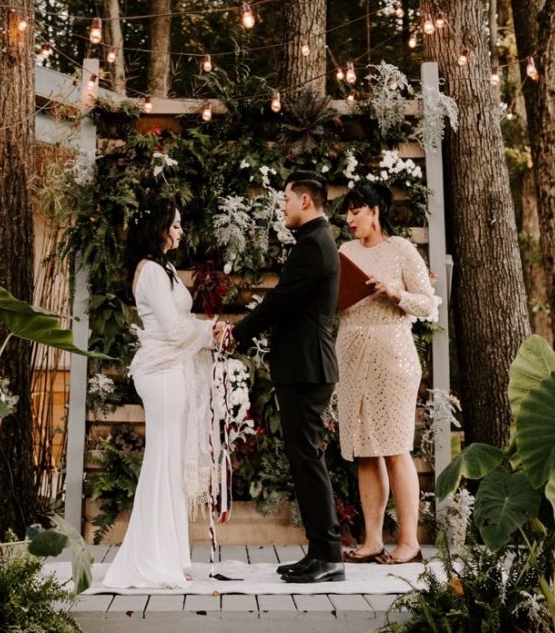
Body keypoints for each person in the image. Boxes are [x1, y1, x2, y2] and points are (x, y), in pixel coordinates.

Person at [220, 169, 344, 586]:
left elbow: (280, 302)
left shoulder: (315, 245)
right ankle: (319, 554)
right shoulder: (313, 242)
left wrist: (236, 334)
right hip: (302, 368)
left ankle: (330, 557)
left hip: (309, 369)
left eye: (287, 199)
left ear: (305, 201)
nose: (283, 207)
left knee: (308, 460)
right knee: (303, 459)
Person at [101, 198, 216, 591]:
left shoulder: (163, 268)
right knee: (161, 458)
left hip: (171, 369)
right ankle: (152, 556)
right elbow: (171, 328)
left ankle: (172, 554)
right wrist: (210, 332)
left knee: (168, 459)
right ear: (159, 228)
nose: (181, 231)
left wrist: (203, 330)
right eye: (177, 224)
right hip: (162, 371)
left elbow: (179, 322)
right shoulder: (150, 271)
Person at [336, 177, 439, 564]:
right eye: (348, 210)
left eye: (356, 210)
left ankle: (410, 542)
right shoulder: (344, 250)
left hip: (392, 356)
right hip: (351, 354)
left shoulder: (401, 250)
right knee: (365, 450)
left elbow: (428, 305)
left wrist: (394, 293)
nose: (349, 218)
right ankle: (372, 540)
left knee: (395, 448)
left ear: (376, 212)